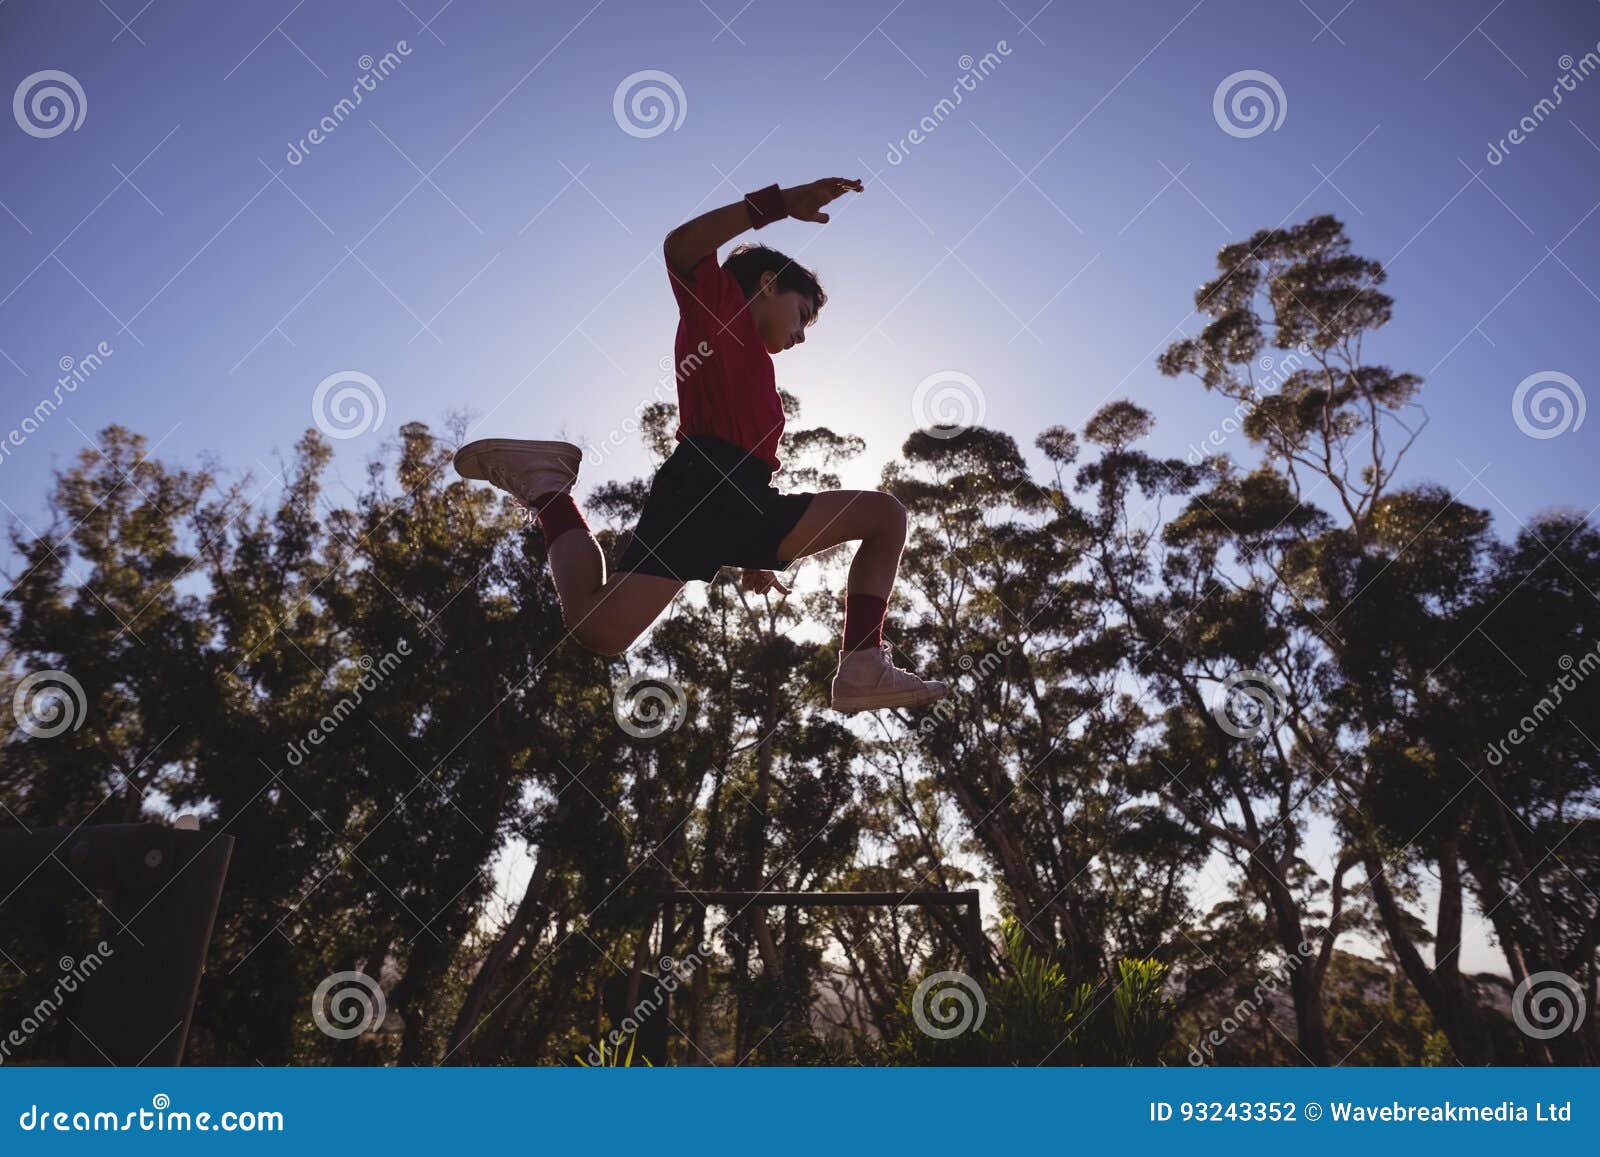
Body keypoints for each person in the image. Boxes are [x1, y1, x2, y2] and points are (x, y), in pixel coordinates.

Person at [454, 177, 948, 712]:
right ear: (765, 285)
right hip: (704, 486)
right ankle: (549, 489)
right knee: (600, 629)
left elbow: (751, 462)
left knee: (884, 516)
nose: (803, 334)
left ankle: (861, 665)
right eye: (802, 314)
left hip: (743, 500)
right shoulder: (719, 310)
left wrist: (758, 545)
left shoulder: (758, 368)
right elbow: (680, 247)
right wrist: (778, 204)